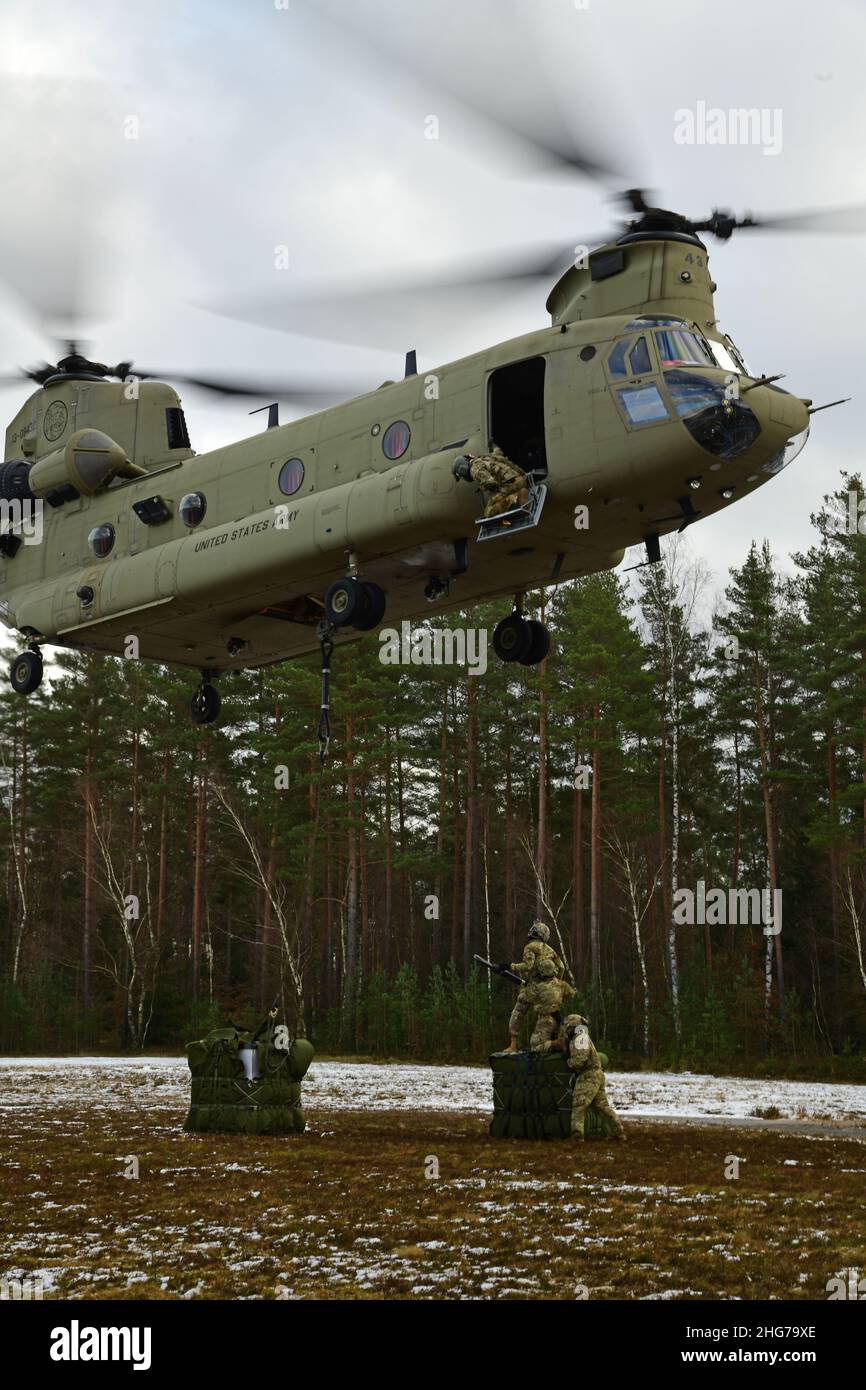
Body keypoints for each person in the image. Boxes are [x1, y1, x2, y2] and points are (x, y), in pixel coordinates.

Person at [502, 920, 567, 1053]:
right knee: (548, 1016)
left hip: (532, 988)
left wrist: (510, 966)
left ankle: (513, 1044)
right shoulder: (550, 950)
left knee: (519, 1011)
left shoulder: (530, 947)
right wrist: (554, 983)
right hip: (548, 990)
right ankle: (554, 1042)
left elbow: (528, 966)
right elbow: (561, 967)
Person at [561, 1013, 626, 1141]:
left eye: (568, 1027)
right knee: (601, 1106)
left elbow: (580, 1060)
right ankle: (617, 1132)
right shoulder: (581, 1037)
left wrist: (567, 1062)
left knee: (579, 1105)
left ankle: (577, 1135)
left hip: (588, 1075)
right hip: (596, 1074)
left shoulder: (580, 1038)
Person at [454, 444, 529, 518]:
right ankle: (518, 495)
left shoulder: (474, 469)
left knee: (488, 511)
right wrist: (492, 445)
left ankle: (516, 498)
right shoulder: (486, 457)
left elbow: (491, 482)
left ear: (462, 469)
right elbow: (498, 452)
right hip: (520, 479)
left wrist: (482, 487)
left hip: (511, 486)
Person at [525, 958, 576, 1052]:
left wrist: (526, 986)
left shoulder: (537, 987)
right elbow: (572, 994)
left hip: (545, 1020)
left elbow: (527, 998)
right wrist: (558, 999)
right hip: (558, 1018)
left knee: (536, 1048)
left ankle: (558, 1043)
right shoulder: (562, 984)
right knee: (551, 1043)